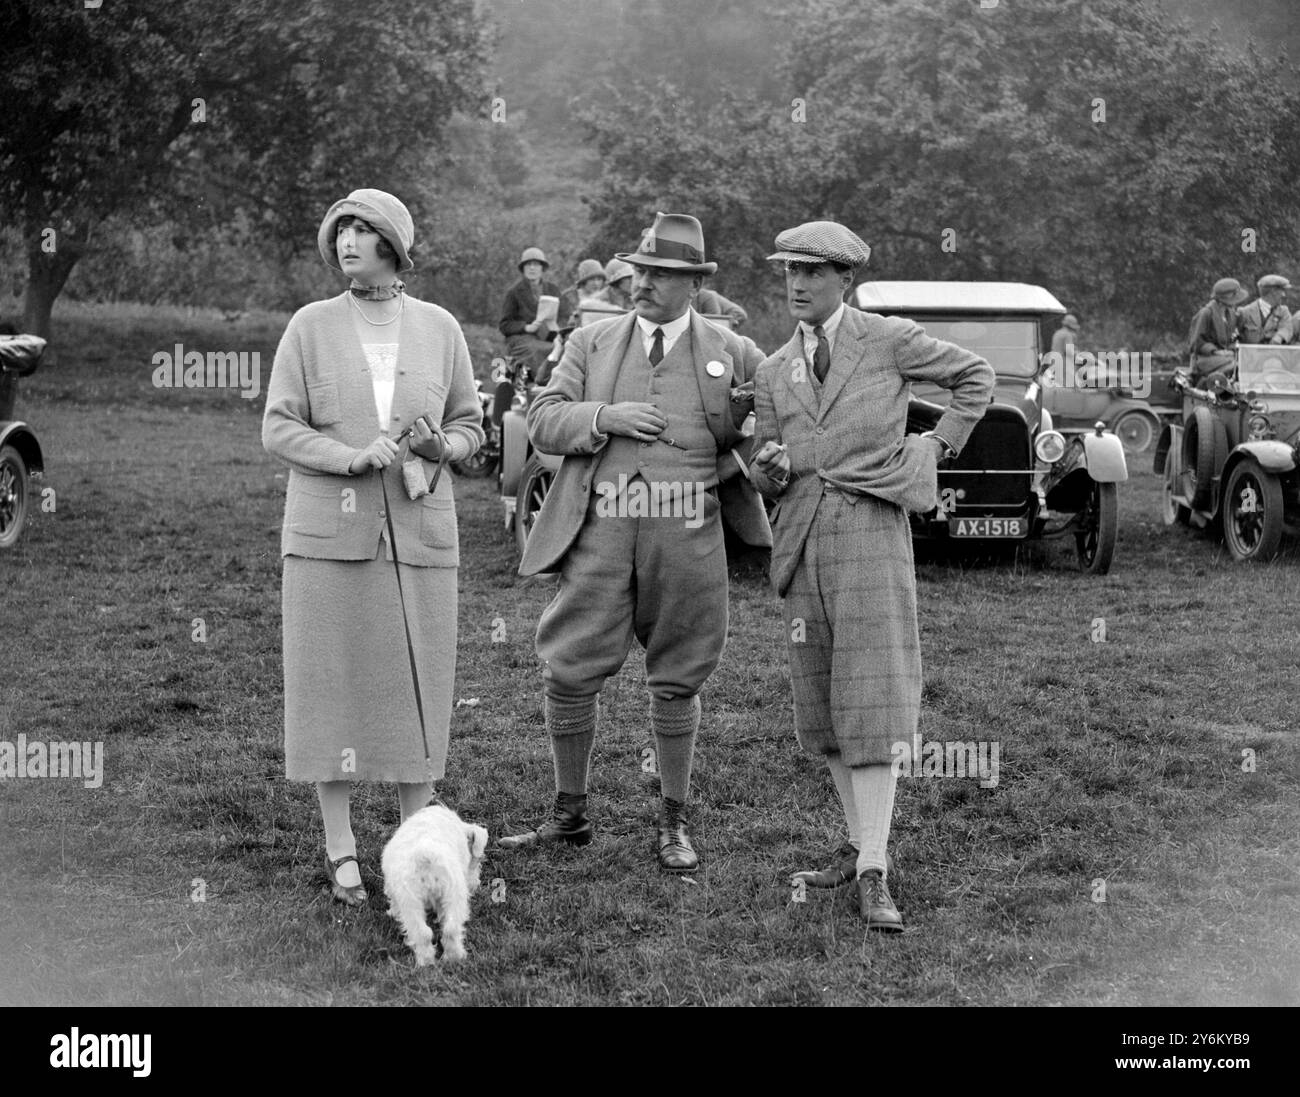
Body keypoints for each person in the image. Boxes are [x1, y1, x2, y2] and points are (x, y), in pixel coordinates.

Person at [498, 212, 771, 872]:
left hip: (689, 535)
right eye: (640, 270)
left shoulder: (733, 349)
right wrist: (603, 417)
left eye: (660, 274)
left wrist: (752, 452)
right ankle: (568, 815)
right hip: (602, 529)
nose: (642, 282)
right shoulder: (592, 343)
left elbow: (772, 417)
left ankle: (673, 822)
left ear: (692, 282)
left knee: (679, 675)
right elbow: (541, 419)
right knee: (568, 665)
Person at [750, 221, 994, 931]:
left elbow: (975, 378)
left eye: (813, 273)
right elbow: (775, 458)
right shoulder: (772, 370)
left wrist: (932, 446)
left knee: (875, 703)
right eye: (790, 271)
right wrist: (770, 470)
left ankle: (874, 869)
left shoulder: (887, 340)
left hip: (869, 537)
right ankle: (857, 845)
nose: (797, 284)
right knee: (824, 705)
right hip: (801, 546)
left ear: (844, 280)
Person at [262, 188, 484, 906]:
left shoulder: (440, 328)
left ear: (393, 241)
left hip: (417, 536)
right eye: (341, 231)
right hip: (329, 536)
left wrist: (438, 443)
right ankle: (341, 850)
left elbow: (471, 428)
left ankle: (414, 845)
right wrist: (347, 456)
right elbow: (279, 426)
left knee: (414, 684)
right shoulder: (310, 326)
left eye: (362, 229)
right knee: (333, 684)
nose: (347, 241)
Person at [499, 246, 563, 378]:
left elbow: (565, 315)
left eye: (536, 264)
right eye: (528, 265)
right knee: (536, 349)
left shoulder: (553, 290)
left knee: (566, 348)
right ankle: (539, 381)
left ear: (542, 268)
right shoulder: (514, 292)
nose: (532, 268)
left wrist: (558, 329)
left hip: (548, 336)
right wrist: (526, 327)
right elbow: (504, 325)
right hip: (521, 339)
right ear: (523, 268)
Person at [1187, 277, 1248, 383]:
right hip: (1205, 359)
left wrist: (1232, 349)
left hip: (1226, 356)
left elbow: (1230, 339)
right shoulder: (1206, 313)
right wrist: (1216, 351)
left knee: (1246, 364)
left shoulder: (1231, 314)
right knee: (1235, 366)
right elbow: (1196, 343)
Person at [1236, 274, 1293, 345]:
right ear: (1273, 291)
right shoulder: (1245, 312)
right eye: (1282, 291)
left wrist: (1279, 337)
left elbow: (1286, 328)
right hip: (1250, 355)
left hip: (1274, 355)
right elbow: (1235, 335)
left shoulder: (1283, 311)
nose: (1283, 295)